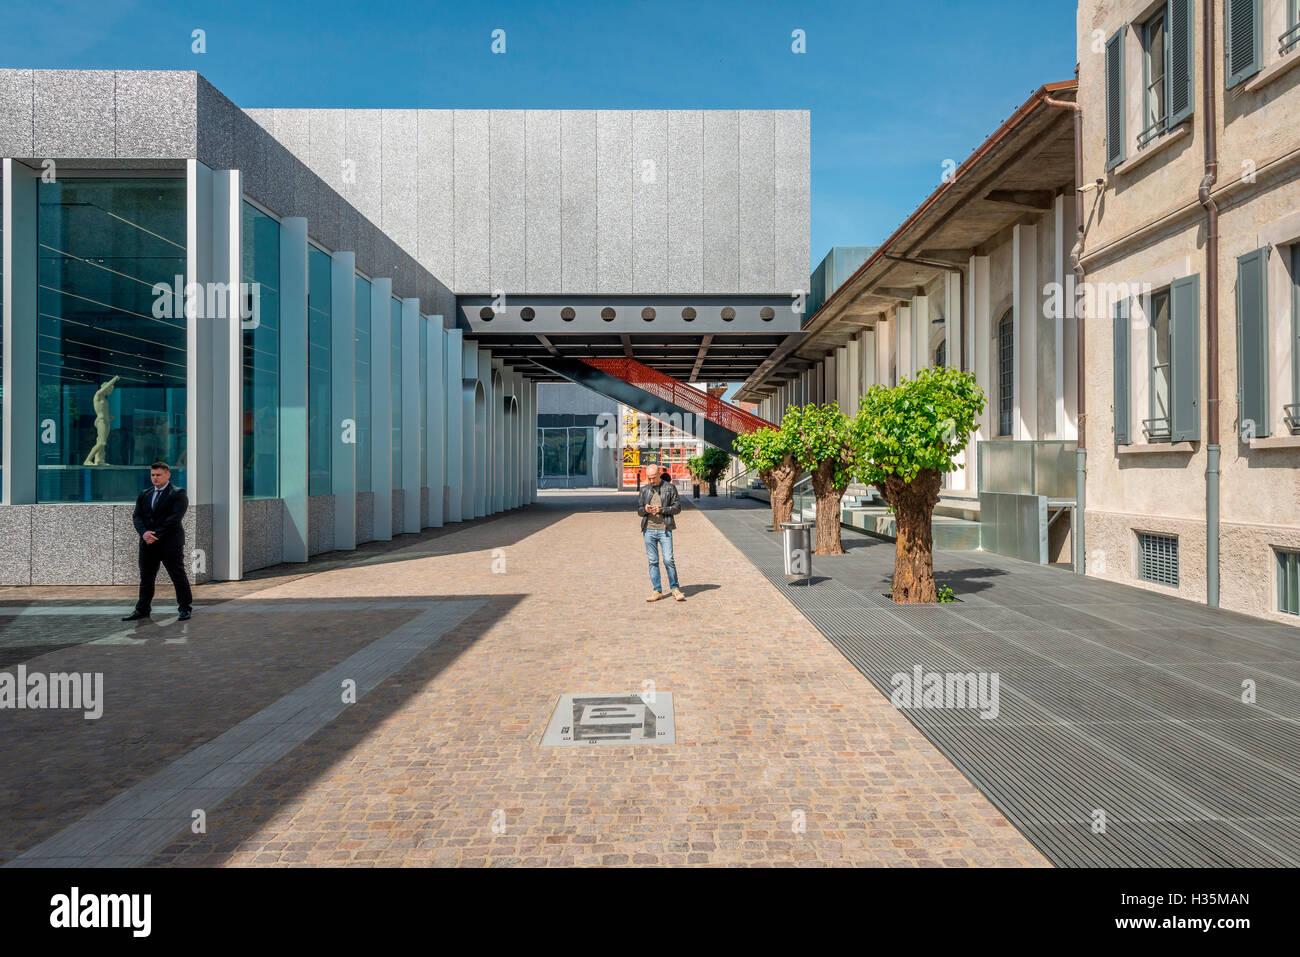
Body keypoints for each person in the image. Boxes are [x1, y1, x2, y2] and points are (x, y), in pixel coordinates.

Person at [122, 462, 194, 621]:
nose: (155, 478)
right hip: (147, 544)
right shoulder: (145, 494)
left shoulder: (178, 493)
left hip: (170, 544)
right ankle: (142, 609)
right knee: (146, 578)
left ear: (167, 475)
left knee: (178, 576)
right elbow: (137, 516)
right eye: (153, 475)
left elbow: (174, 518)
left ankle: (185, 608)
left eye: (158, 475)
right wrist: (144, 534)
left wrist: (155, 534)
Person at [638, 464, 685, 603]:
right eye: (649, 478)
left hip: (665, 529)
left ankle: (675, 589)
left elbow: (677, 508)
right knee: (653, 561)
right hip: (649, 530)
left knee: (668, 560)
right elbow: (639, 510)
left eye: (653, 477)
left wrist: (661, 509)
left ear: (659, 474)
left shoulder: (670, 488)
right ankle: (657, 590)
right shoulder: (644, 490)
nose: (651, 481)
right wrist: (645, 509)